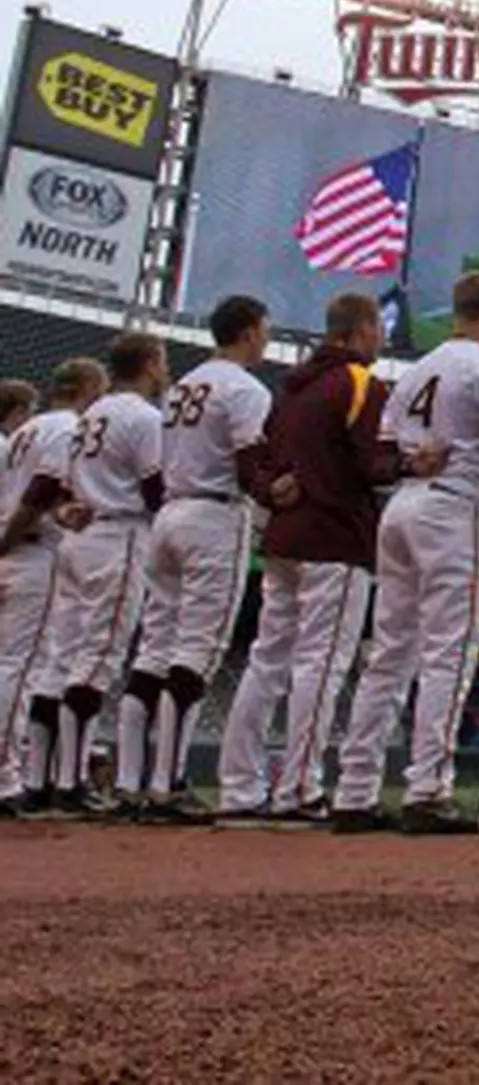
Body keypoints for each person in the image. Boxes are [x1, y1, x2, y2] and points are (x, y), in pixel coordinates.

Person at [334, 271, 479, 836]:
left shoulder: (416, 370)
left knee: (389, 655)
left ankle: (353, 792)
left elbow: (384, 454)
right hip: (450, 508)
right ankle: (426, 790)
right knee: (449, 653)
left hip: (401, 507)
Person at [219, 293, 391, 827]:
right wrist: (414, 460)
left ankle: (239, 790)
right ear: (361, 330)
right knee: (321, 662)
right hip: (334, 539)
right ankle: (298, 789)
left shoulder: (291, 390)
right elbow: (372, 465)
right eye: (378, 328)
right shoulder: (360, 382)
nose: (382, 337)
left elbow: (260, 470)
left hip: (286, 538)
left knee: (267, 660)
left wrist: (274, 492)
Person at [123, 296, 274, 822]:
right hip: (212, 515)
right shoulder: (245, 388)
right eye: (264, 330)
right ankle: (168, 783)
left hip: (167, 514)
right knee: (196, 652)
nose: (267, 338)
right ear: (250, 332)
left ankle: (129, 783)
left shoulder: (183, 383)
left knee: (155, 648)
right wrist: (278, 494)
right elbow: (251, 464)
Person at [42, 332, 168, 817]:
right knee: (99, 658)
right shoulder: (143, 416)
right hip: (119, 533)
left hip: (79, 535)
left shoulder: (90, 415)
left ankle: (41, 780)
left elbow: (64, 489)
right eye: (161, 360)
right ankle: (72, 783)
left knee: (62, 659)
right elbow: (155, 490)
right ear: (152, 362)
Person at [0, 372, 63, 815]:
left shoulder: (17, 439)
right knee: (18, 667)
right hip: (24, 552)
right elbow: (33, 501)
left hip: (10, 553)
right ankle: (5, 778)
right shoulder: (23, 439)